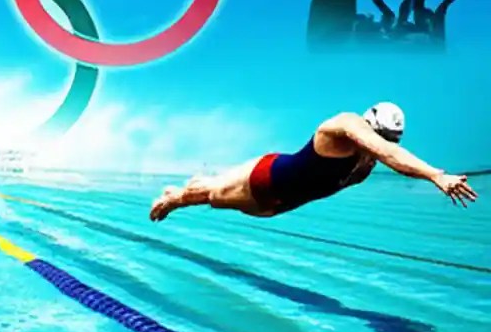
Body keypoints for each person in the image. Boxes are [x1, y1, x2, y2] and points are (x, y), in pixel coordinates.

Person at [149, 102, 477, 221]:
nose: (380, 147)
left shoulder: (365, 164)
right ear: (370, 127)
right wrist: (437, 176)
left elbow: (389, 156)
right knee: (211, 197)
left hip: (282, 201)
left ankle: (192, 186)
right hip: (267, 178)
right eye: (379, 138)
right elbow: (389, 155)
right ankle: (173, 199)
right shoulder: (346, 125)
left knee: (215, 192)